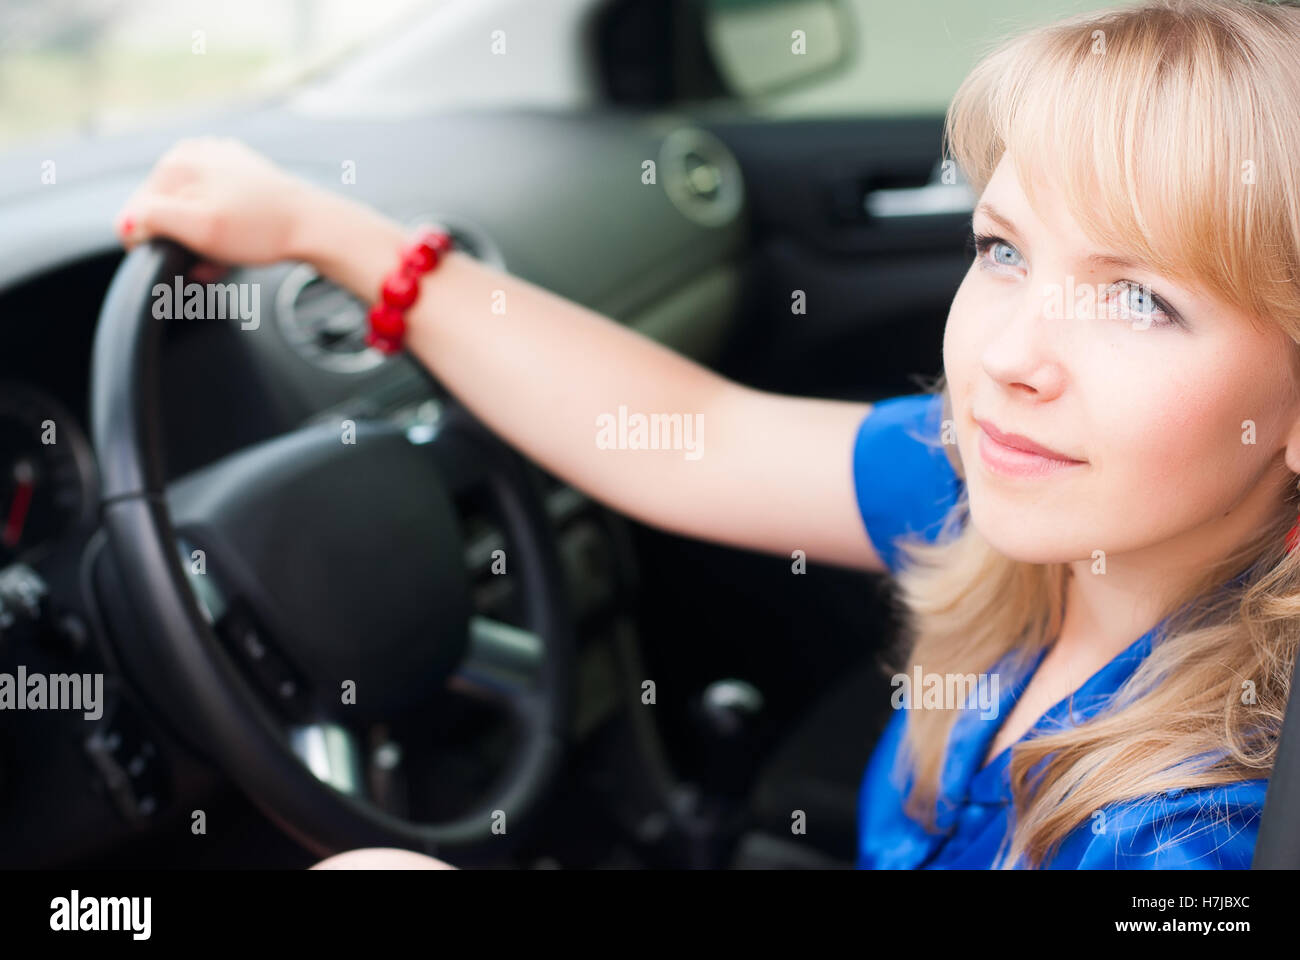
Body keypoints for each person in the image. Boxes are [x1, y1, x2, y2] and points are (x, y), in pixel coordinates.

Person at [115, 0, 1300, 869]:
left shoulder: (1203, 832)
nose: (1005, 358)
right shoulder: (997, 497)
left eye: (1139, 300)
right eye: (1002, 251)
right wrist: (332, 232)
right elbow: (685, 432)